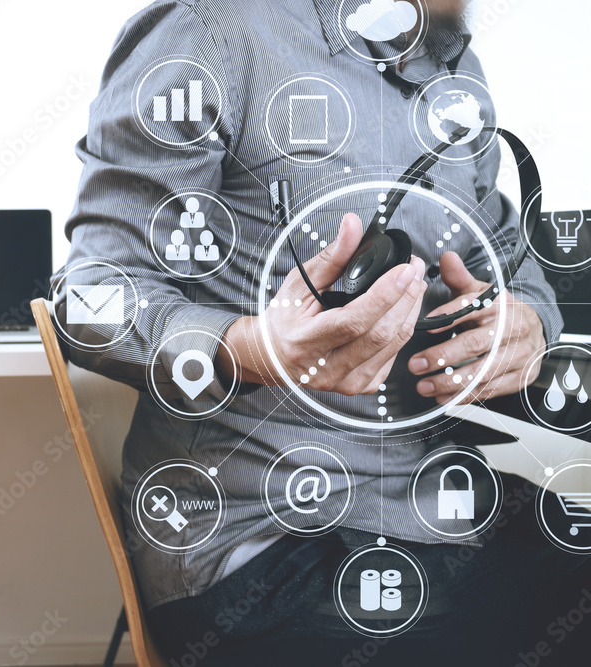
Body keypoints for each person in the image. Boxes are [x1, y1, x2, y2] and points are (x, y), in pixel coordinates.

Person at [53, 0, 588, 664]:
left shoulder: (456, 69)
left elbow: (511, 261)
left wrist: (528, 319)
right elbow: (91, 299)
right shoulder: (208, 31)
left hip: (441, 511)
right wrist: (253, 348)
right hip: (263, 548)